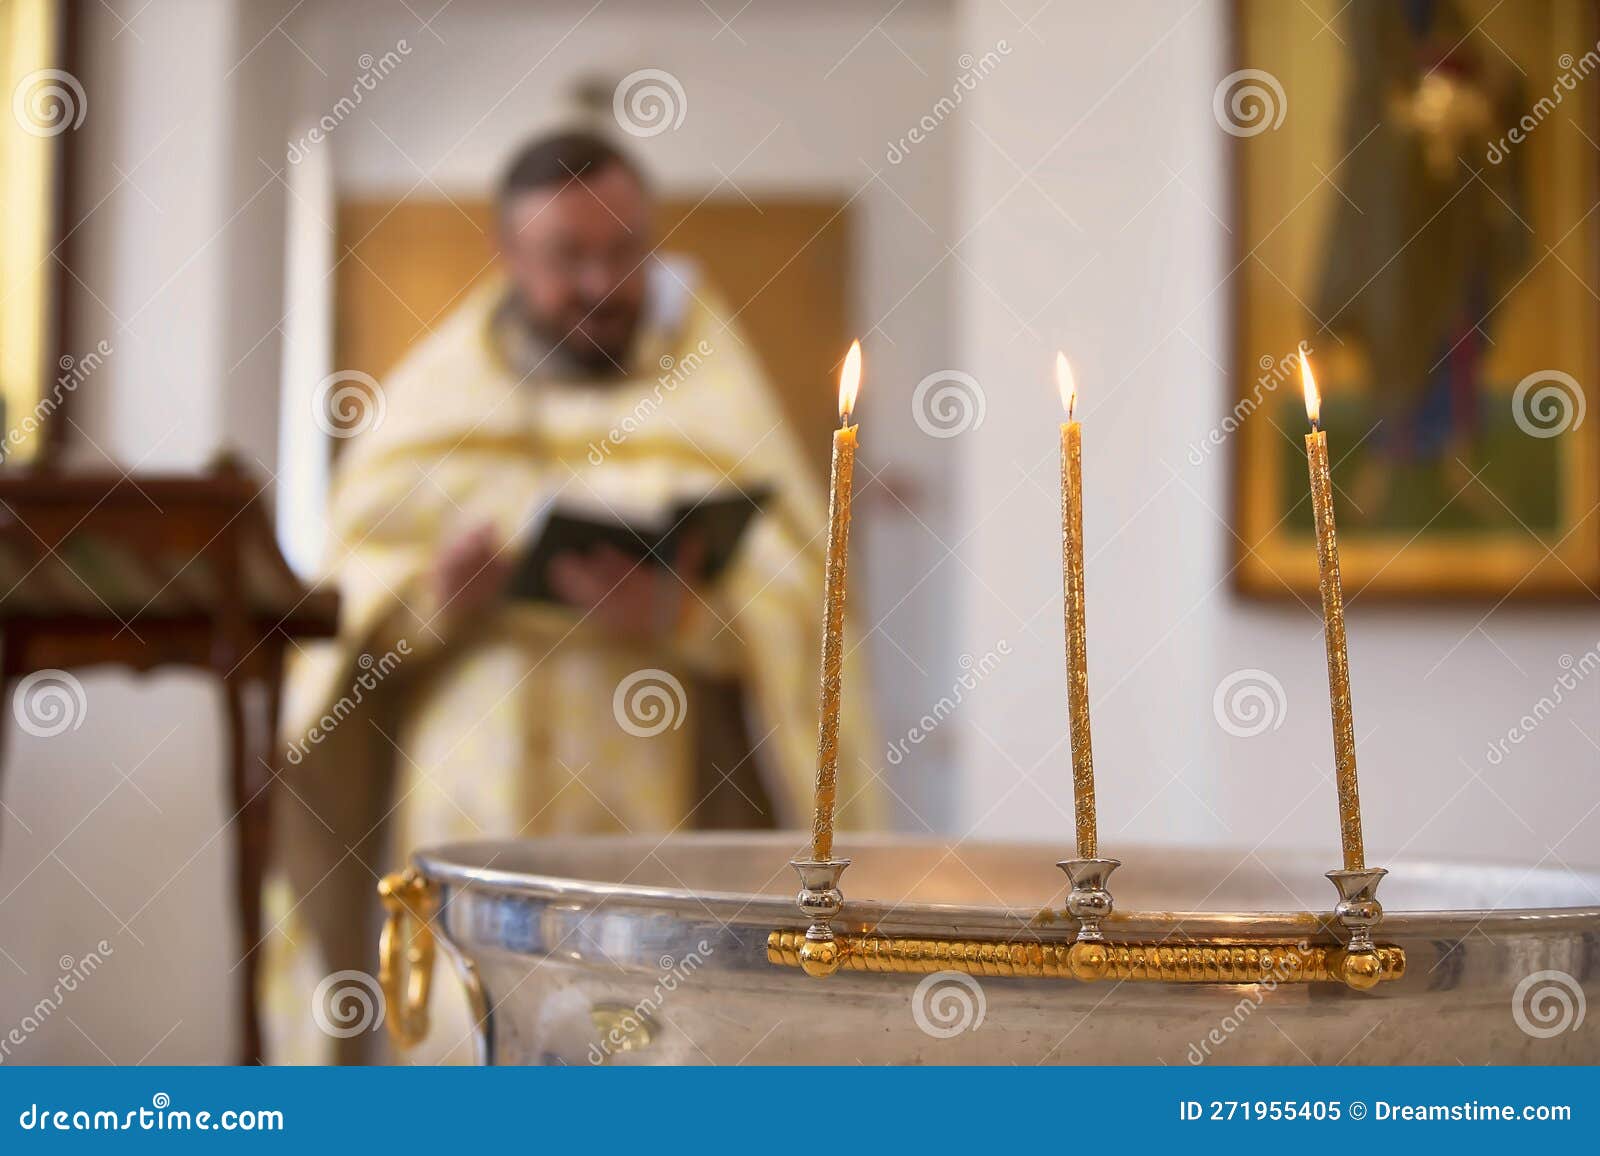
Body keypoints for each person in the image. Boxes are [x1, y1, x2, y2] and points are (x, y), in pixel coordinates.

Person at [263, 130, 884, 1063]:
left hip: (659, 820)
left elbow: (806, 605)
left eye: (624, 250)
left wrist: (683, 617)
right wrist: (435, 600)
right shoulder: (435, 401)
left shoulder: (712, 397)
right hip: (466, 810)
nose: (600, 282)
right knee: (458, 1057)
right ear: (508, 256)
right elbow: (333, 614)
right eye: (567, 257)